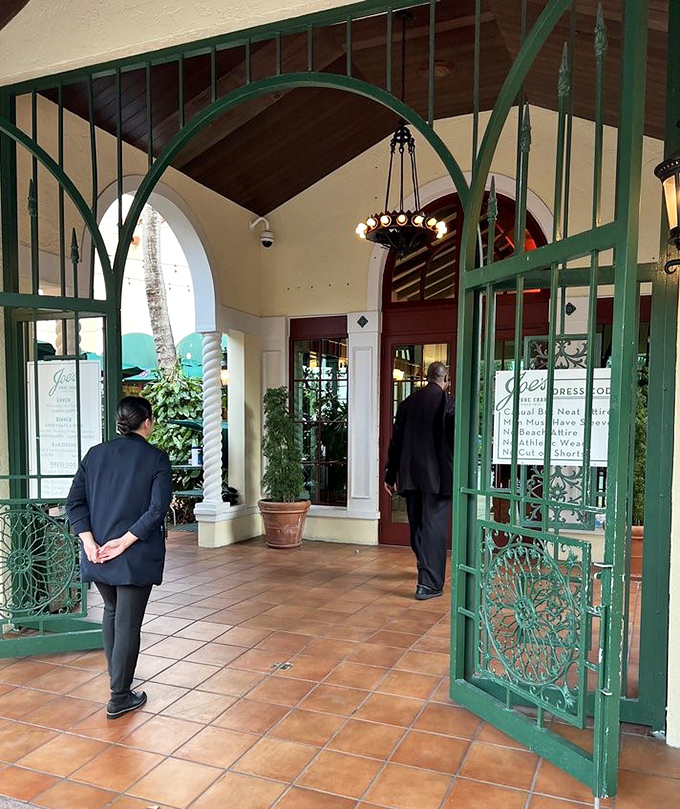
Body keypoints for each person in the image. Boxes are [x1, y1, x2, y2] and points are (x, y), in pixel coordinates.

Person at [66, 395, 172, 719]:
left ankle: (118, 682)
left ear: (119, 423)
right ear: (147, 422)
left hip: (97, 555)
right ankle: (119, 696)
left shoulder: (95, 455)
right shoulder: (156, 459)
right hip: (133, 555)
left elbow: (74, 503)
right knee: (127, 623)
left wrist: (87, 542)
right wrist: (124, 542)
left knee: (112, 613)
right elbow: (157, 509)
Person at [384, 361, 455, 600]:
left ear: (427, 377)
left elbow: (396, 443)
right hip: (438, 478)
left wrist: (390, 474)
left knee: (417, 526)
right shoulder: (448, 402)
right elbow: (455, 441)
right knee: (434, 528)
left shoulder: (407, 403)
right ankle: (428, 583)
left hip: (410, 476)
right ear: (445, 380)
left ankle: (424, 567)